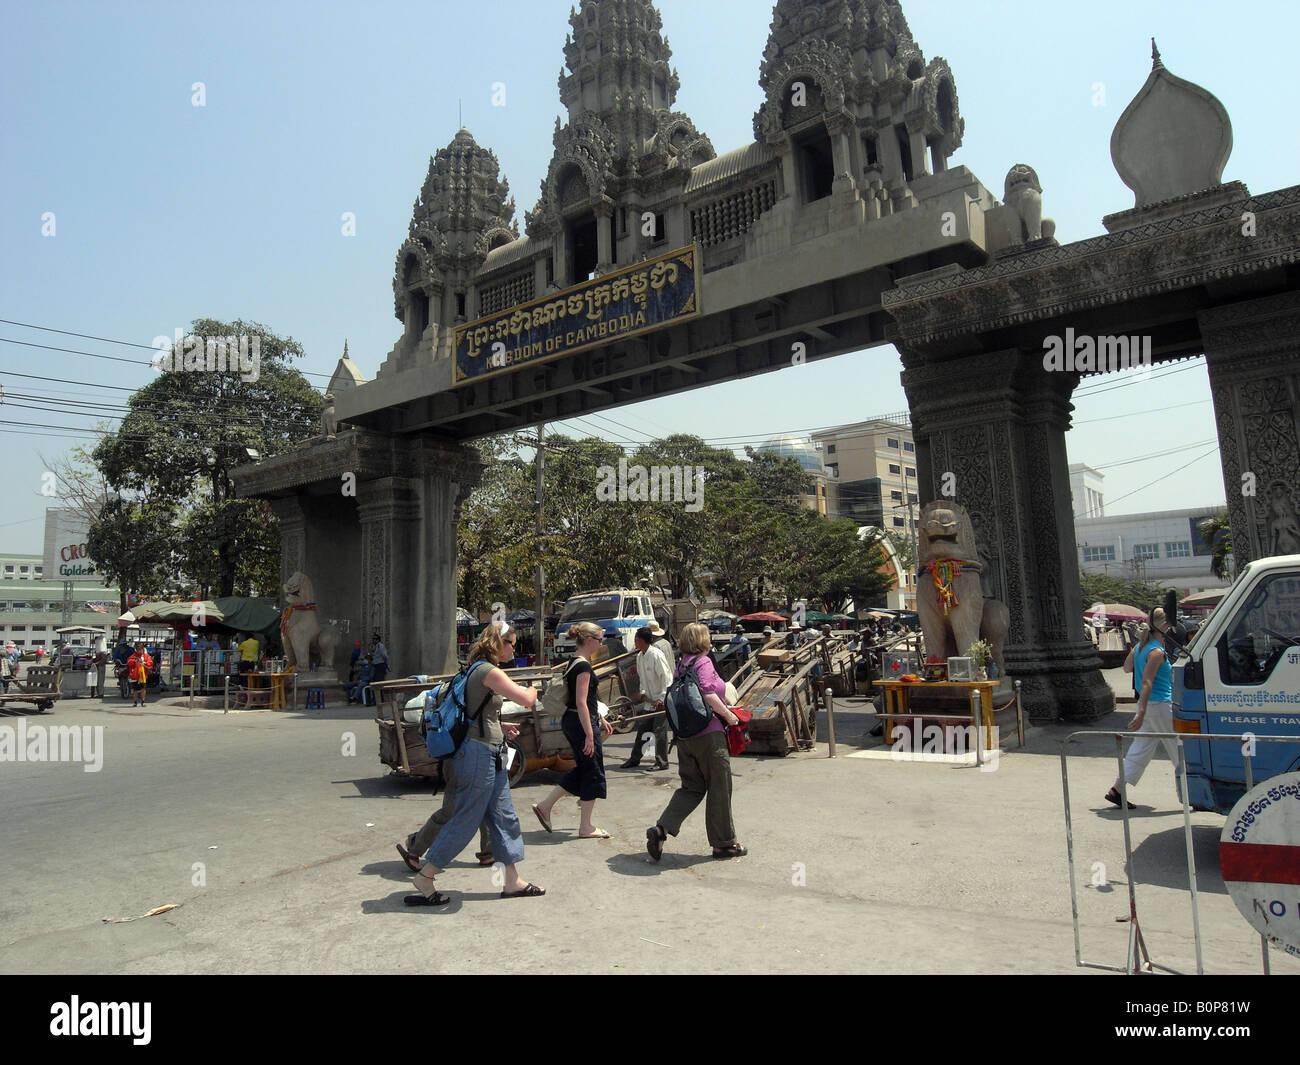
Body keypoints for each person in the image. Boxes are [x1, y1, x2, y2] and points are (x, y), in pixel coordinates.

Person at [405, 622, 544, 906]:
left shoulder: (478, 670)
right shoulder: (487, 671)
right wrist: (535, 688)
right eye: (511, 643)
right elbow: (525, 698)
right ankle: (426, 875)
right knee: (467, 818)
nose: (514, 649)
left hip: (491, 750)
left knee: (504, 816)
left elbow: (479, 713)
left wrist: (501, 728)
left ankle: (512, 881)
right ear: (498, 643)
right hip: (478, 754)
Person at [646, 621, 747, 861]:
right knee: (719, 788)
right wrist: (730, 716)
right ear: (703, 641)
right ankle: (723, 844)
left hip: (685, 738)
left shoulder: (682, 665)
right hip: (709, 736)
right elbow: (709, 693)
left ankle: (661, 829)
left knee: (691, 787)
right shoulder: (703, 662)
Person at [530, 621, 616, 839]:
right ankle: (585, 827)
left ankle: (546, 806)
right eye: (599, 639)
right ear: (589, 640)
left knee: (586, 768)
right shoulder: (583, 666)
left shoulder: (573, 662)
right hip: (579, 723)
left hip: (574, 721)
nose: (601, 643)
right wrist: (589, 734)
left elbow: (585, 700)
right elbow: (581, 702)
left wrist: (600, 718)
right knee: (592, 772)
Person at [1107, 608, 1184, 808]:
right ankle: (1188, 793)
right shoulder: (1157, 652)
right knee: (1179, 749)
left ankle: (1117, 788)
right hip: (1161, 704)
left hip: (1149, 705)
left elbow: (1126, 668)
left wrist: (1142, 709)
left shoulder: (1141, 648)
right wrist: (1140, 713)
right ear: (1164, 627)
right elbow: (1147, 682)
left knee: (1140, 749)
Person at [623, 626, 671, 771]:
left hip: (660, 700)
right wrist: (642, 692)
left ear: (642, 640)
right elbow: (642, 679)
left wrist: (662, 699)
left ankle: (662, 762)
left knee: (659, 731)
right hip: (649, 701)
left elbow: (666, 679)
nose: (635, 642)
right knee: (643, 729)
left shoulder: (656, 655)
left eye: (637, 639)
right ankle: (634, 758)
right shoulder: (640, 657)